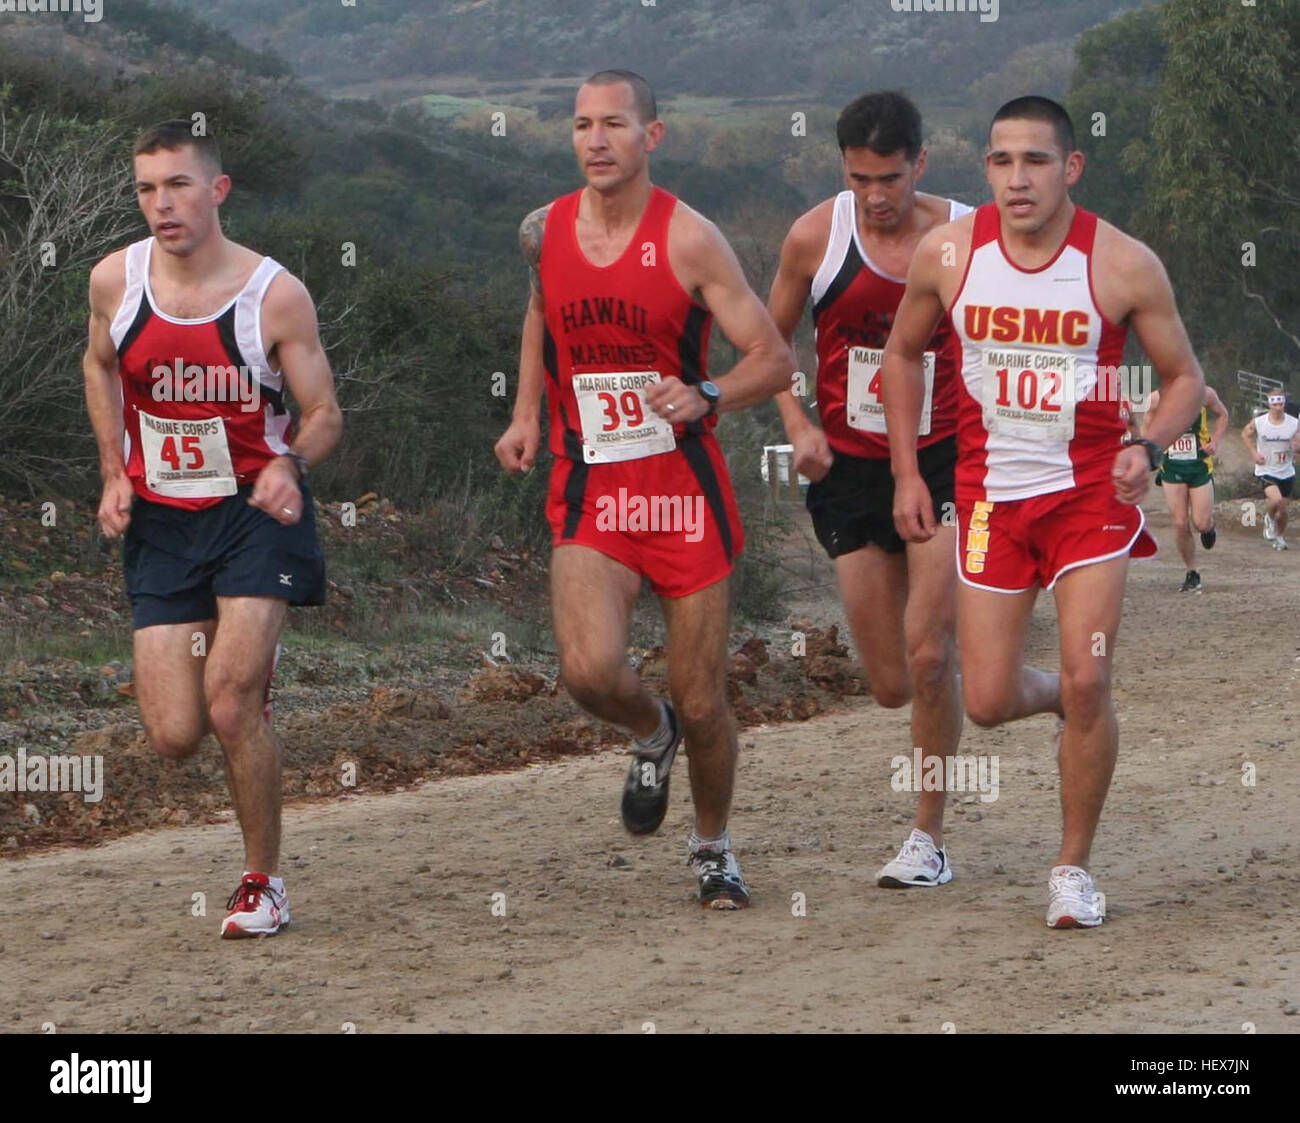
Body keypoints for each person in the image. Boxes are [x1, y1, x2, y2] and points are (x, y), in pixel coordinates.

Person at [881, 96, 1206, 928]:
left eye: (1034, 160)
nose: (1016, 178)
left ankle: (1071, 868)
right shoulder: (948, 254)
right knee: (985, 698)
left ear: (1072, 167)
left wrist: (1150, 447)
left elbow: (1184, 381)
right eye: (1000, 161)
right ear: (983, 167)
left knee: (1093, 671)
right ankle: (1066, 697)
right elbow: (903, 353)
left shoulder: (1123, 263)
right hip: (988, 500)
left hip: (1090, 499)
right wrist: (909, 474)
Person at [493, 71, 795, 909]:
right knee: (589, 672)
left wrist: (708, 395)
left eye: (615, 125)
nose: (596, 140)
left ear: (650, 137)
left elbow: (773, 359)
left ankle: (712, 846)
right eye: (583, 125)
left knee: (704, 699)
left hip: (684, 496)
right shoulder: (543, 230)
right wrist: (525, 414)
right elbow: (540, 310)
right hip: (593, 485)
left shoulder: (692, 240)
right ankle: (645, 730)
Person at [84, 121, 342, 938]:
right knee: (173, 734)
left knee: (231, 705)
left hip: (255, 515)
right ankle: (242, 678)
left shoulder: (273, 294)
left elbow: (325, 412)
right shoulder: (113, 282)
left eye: (179, 185)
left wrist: (288, 465)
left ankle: (262, 882)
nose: (162, 204)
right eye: (147, 189)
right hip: (164, 518)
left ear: (218, 190)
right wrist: (114, 470)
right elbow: (96, 364)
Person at [766, 91, 969, 888]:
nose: (877, 196)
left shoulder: (965, 237)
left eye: (890, 177)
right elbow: (767, 340)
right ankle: (1035, 690)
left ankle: (927, 835)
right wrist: (797, 422)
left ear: (921, 163)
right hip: (848, 467)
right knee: (889, 682)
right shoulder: (816, 237)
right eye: (860, 179)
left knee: (928, 654)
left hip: (948, 454)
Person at [1143, 385, 1229, 590]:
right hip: (1172, 465)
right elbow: (1147, 423)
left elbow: (1222, 415)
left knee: (1201, 523)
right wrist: (1150, 448)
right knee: (1180, 522)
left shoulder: (1204, 394)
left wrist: (1215, 441)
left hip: (1199, 465)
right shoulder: (1156, 399)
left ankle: (1209, 527)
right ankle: (1192, 572)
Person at [1242, 392, 1300, 550]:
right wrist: (1254, 453)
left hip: (1286, 470)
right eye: (1275, 405)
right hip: (1266, 469)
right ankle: (1269, 518)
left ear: (1284, 405)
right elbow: (1245, 435)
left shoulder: (1294, 423)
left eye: (1281, 404)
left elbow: (1298, 444)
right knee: (1277, 500)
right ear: (1269, 405)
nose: (1278, 408)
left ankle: (1280, 536)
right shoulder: (1260, 422)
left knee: (1283, 509)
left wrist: (1297, 447)